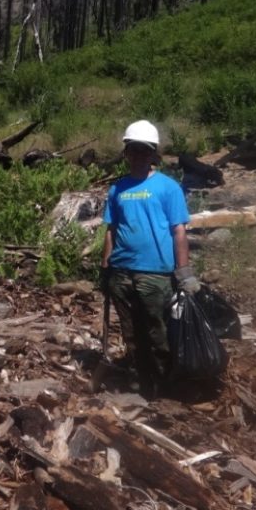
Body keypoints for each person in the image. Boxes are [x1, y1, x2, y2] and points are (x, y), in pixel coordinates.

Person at [100, 119, 200, 400]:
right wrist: (105, 267)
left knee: (158, 331)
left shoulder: (168, 188)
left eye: (144, 150)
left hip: (155, 274)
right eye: (133, 149)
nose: (138, 155)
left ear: (153, 153)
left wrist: (184, 271)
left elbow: (179, 231)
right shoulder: (117, 189)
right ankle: (139, 378)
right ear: (126, 152)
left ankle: (163, 383)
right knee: (131, 332)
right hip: (121, 271)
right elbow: (111, 230)